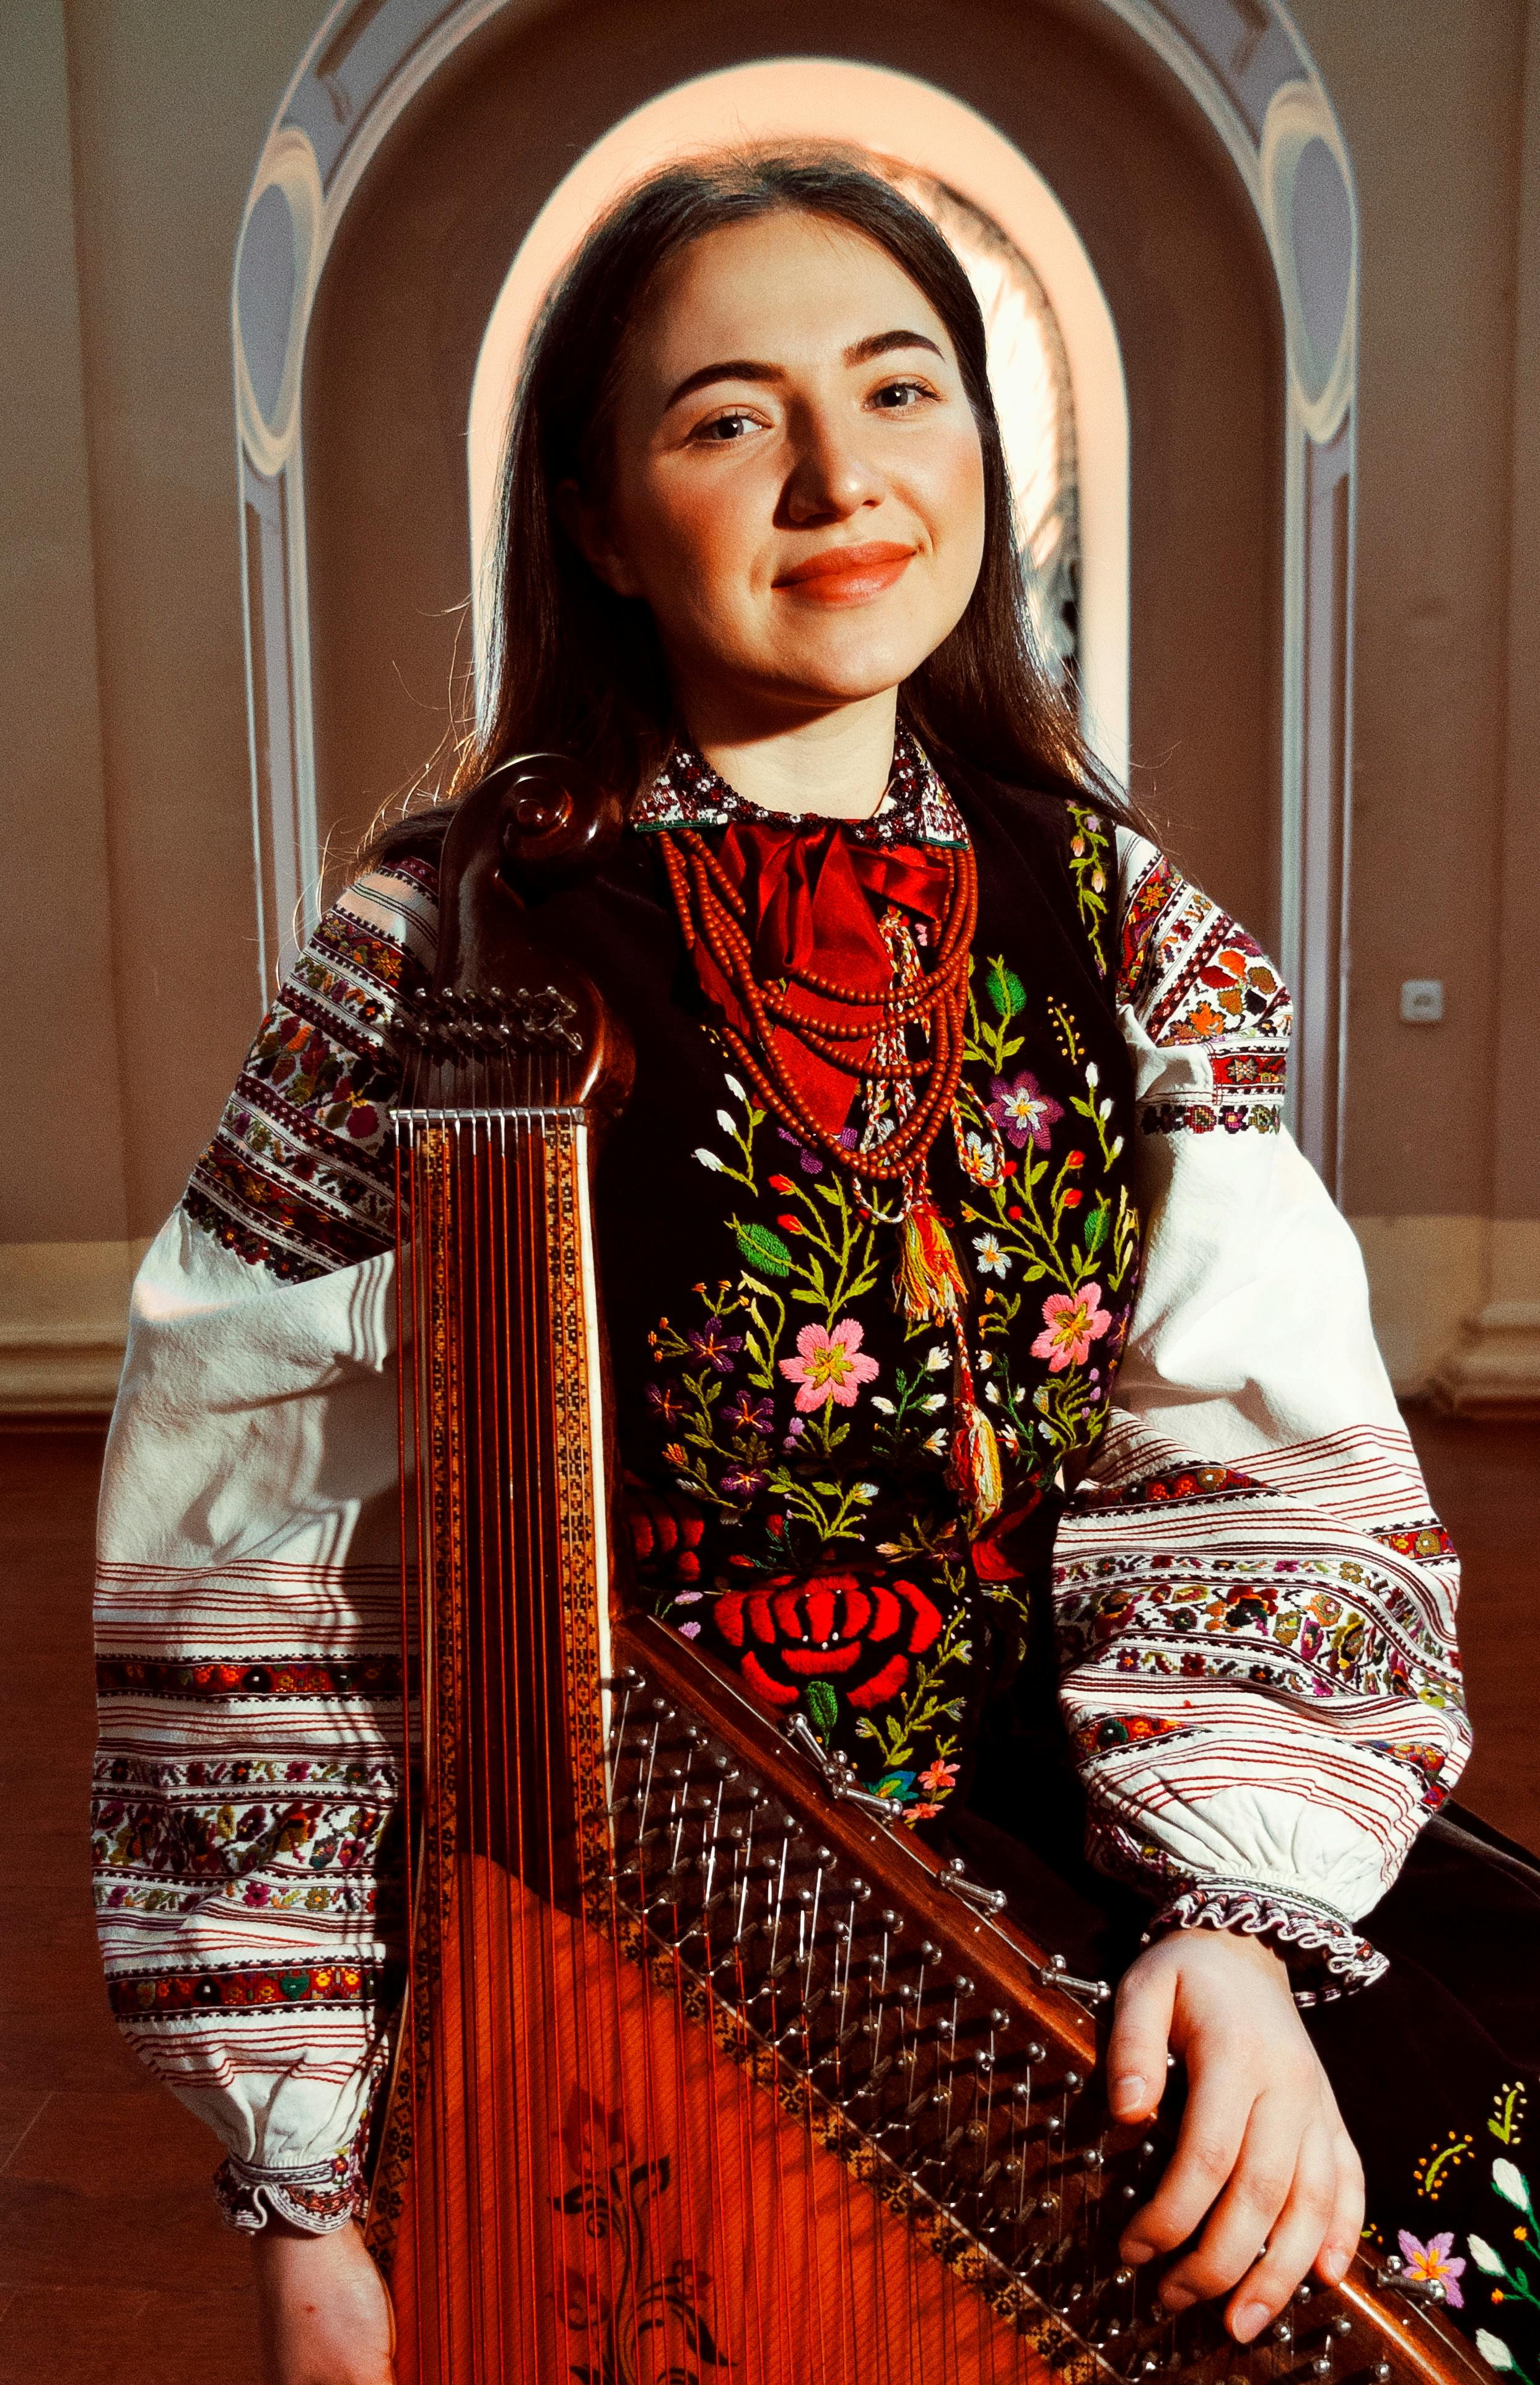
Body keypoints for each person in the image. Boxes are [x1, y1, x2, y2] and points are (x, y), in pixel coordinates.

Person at [92, 151, 1540, 2385]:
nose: (843, 477)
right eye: (727, 418)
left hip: (1091, 1828)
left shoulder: (1125, 923)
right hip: (632, 1896)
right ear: (592, 518)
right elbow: (263, 1555)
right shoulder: (439, 950)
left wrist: (1240, 1926)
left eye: (903, 389)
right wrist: (303, 2186)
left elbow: (1244, 1446)